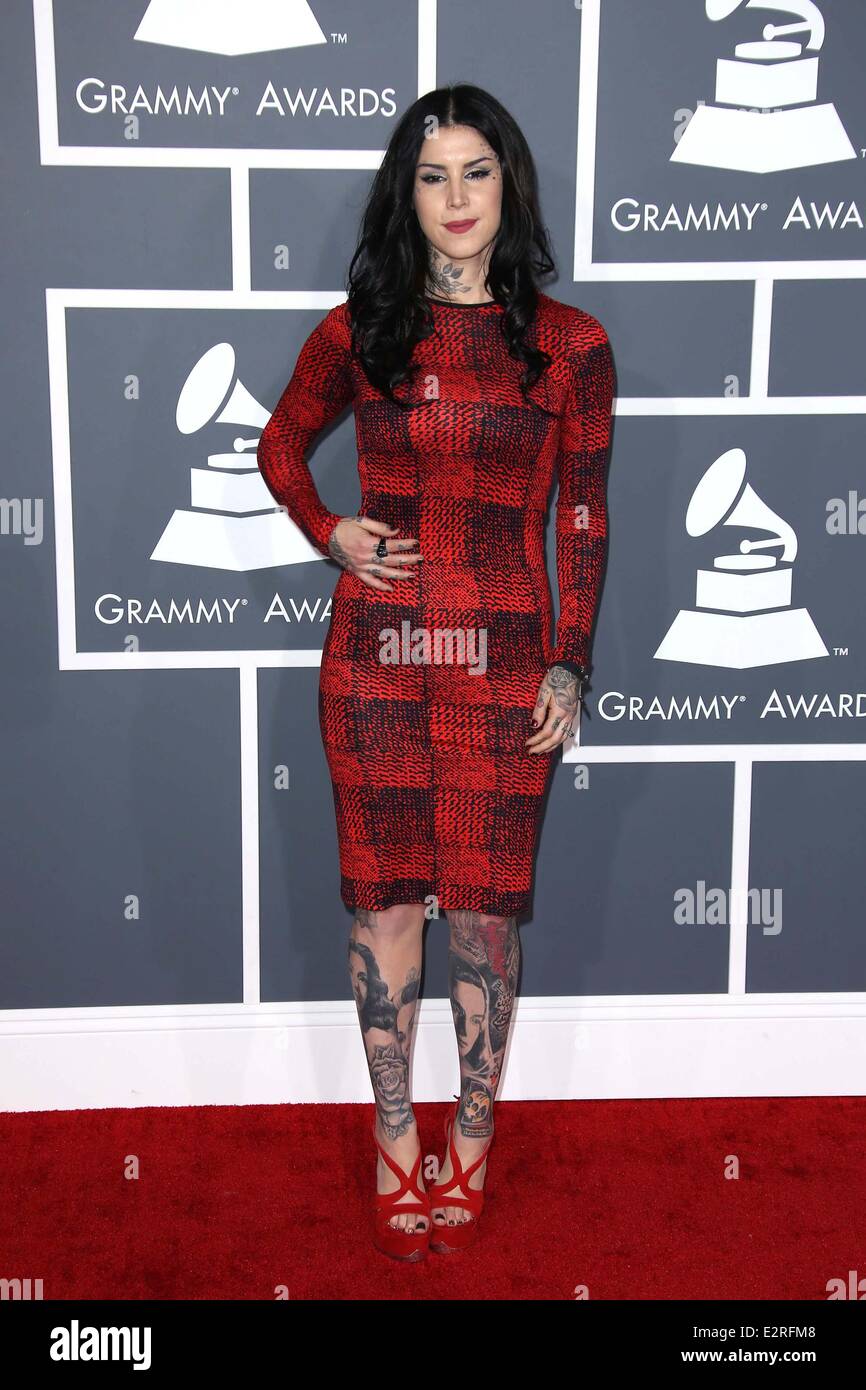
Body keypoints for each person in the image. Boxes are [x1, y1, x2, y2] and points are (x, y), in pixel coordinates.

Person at [256, 82, 615, 1261]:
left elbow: (582, 517)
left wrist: (568, 664)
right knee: (384, 901)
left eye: (475, 172)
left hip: (505, 664)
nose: (455, 198)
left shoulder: (565, 346)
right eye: (430, 176)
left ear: (507, 183)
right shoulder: (363, 330)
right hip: (373, 664)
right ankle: (392, 1128)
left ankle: (469, 1126)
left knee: (483, 919)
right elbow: (277, 444)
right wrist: (329, 529)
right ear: (402, 197)